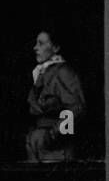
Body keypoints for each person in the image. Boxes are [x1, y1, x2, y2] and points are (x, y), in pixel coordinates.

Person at [26, 29, 86, 162]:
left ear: (55, 48)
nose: (35, 48)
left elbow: (76, 109)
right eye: (36, 43)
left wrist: (54, 135)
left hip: (56, 148)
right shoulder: (41, 73)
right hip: (37, 143)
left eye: (41, 44)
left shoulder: (64, 72)